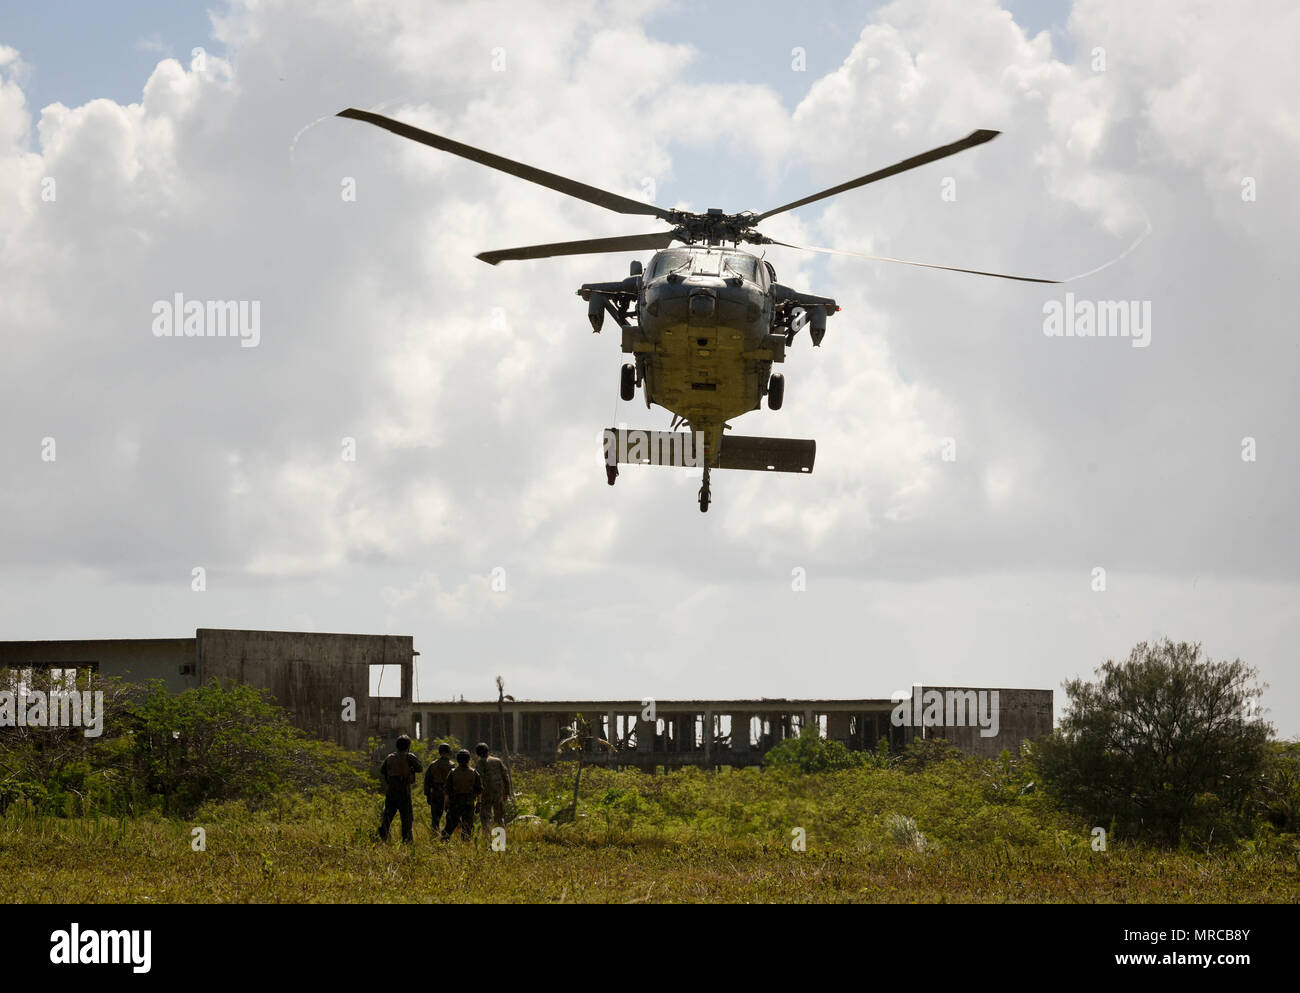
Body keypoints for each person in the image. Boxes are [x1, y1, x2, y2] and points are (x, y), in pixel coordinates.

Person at [378, 734, 423, 843]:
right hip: (404, 791)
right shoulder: (409, 756)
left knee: (387, 817)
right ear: (408, 746)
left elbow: (382, 771)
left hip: (391, 791)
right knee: (406, 818)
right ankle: (407, 841)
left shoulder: (390, 757)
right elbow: (420, 768)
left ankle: (381, 838)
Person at [441, 749, 482, 842]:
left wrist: (446, 804)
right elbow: (479, 790)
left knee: (449, 826)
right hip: (469, 803)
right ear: (468, 760)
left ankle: (443, 843)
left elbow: (447, 791)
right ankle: (466, 846)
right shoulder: (474, 773)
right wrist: (479, 803)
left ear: (457, 760)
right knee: (467, 827)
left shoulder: (452, 772)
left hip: (455, 803)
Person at [474, 742, 513, 835]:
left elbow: (479, 780)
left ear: (478, 753)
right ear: (488, 750)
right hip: (498, 793)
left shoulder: (480, 762)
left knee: (485, 817)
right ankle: (501, 841)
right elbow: (505, 777)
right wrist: (507, 793)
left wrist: (477, 796)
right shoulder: (497, 761)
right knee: (499, 817)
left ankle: (487, 838)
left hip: (486, 794)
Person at [423, 743, 454, 836]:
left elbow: (427, 781)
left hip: (436, 793)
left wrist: (428, 795)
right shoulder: (452, 766)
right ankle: (448, 835)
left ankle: (435, 835)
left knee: (435, 818)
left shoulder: (433, 764)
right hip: (449, 794)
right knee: (451, 816)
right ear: (449, 752)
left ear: (439, 752)